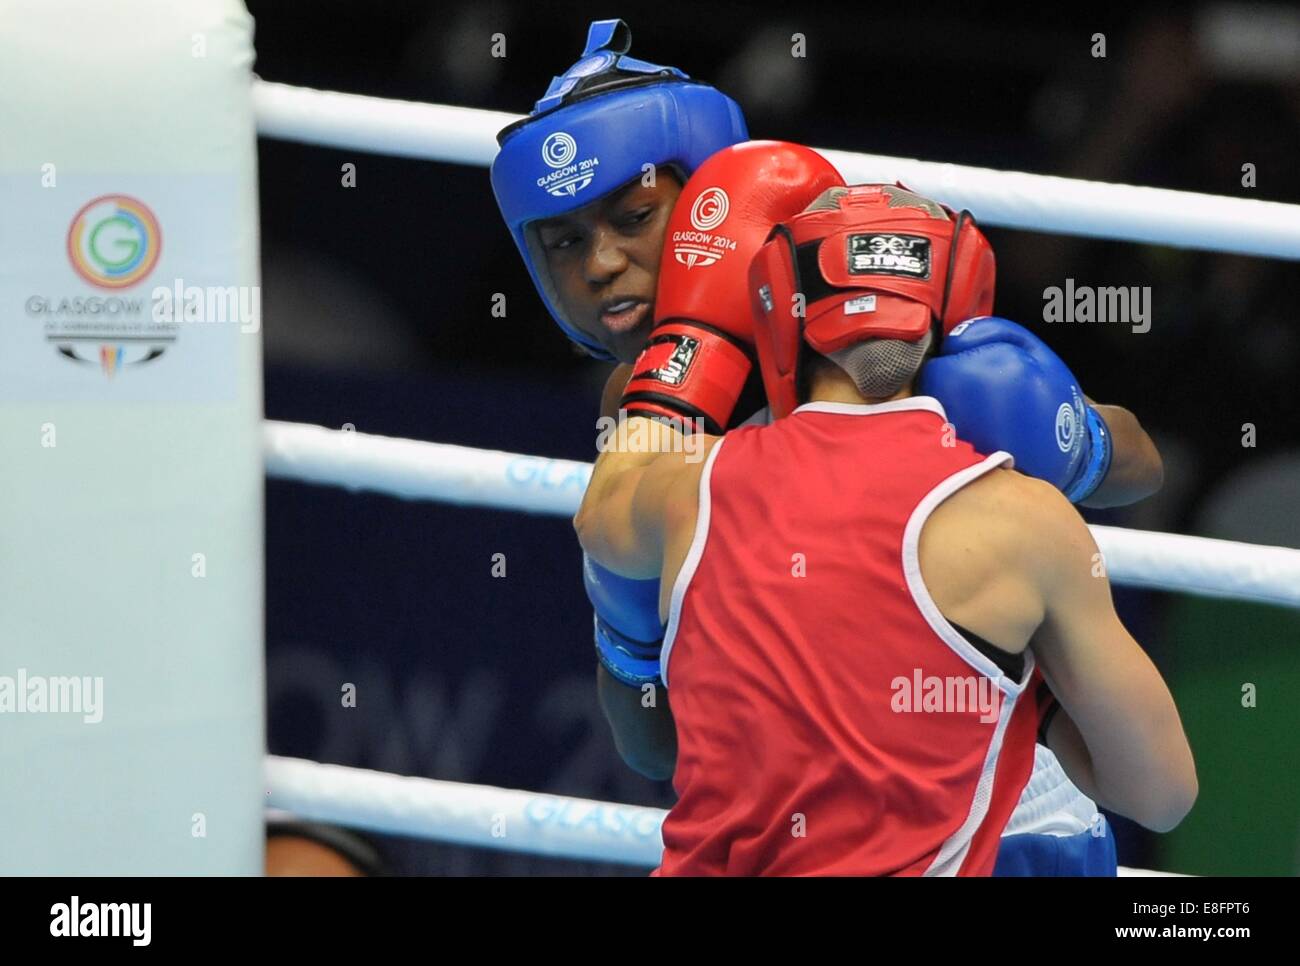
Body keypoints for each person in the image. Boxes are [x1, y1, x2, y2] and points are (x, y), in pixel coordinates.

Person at [493, 20, 1165, 875]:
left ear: (716, 202)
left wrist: (1067, 434)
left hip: (1009, 819)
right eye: (563, 241)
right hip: (792, 839)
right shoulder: (639, 417)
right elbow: (650, 744)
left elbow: (1142, 465)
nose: (602, 263)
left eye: (633, 218)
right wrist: (624, 621)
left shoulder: (875, 317)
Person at [573, 184, 1196, 875]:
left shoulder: (685, 488)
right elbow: (1161, 793)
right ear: (957, 316)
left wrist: (694, 341)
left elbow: (601, 510)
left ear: (782, 316)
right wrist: (1023, 674)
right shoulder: (1022, 521)